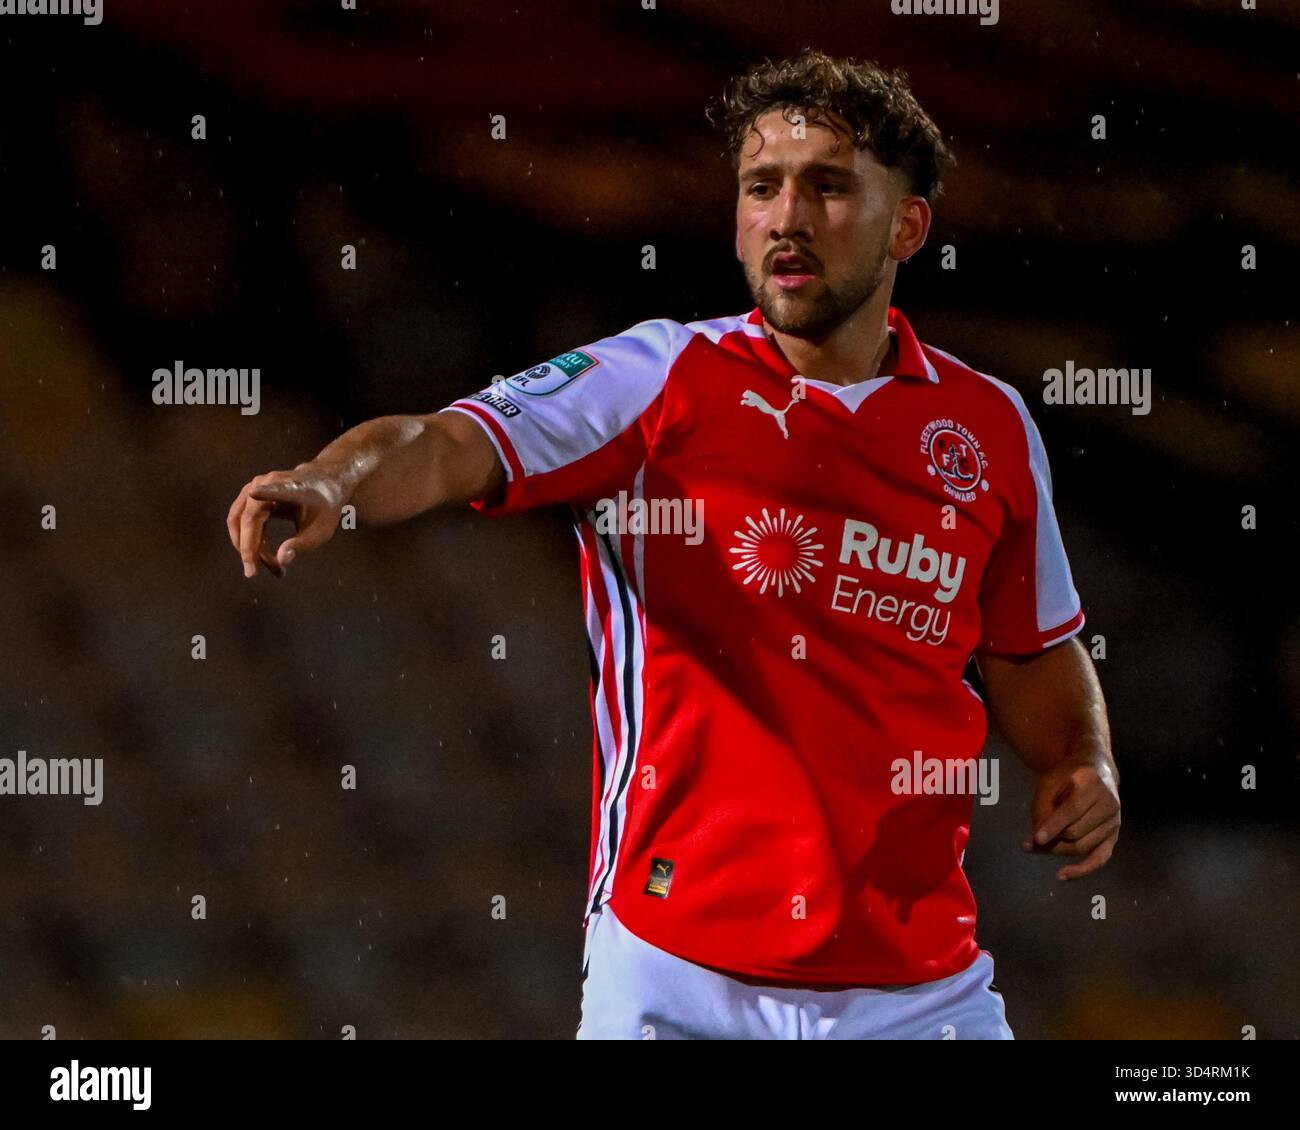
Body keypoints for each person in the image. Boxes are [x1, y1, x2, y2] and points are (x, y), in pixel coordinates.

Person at [226, 48, 1120, 1040]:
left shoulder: (987, 425)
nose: (785, 216)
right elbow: (447, 442)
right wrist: (331, 480)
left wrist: (1085, 761)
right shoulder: (657, 377)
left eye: (826, 186)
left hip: (917, 990)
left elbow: (1031, 644)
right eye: (760, 187)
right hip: (675, 976)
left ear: (908, 223)